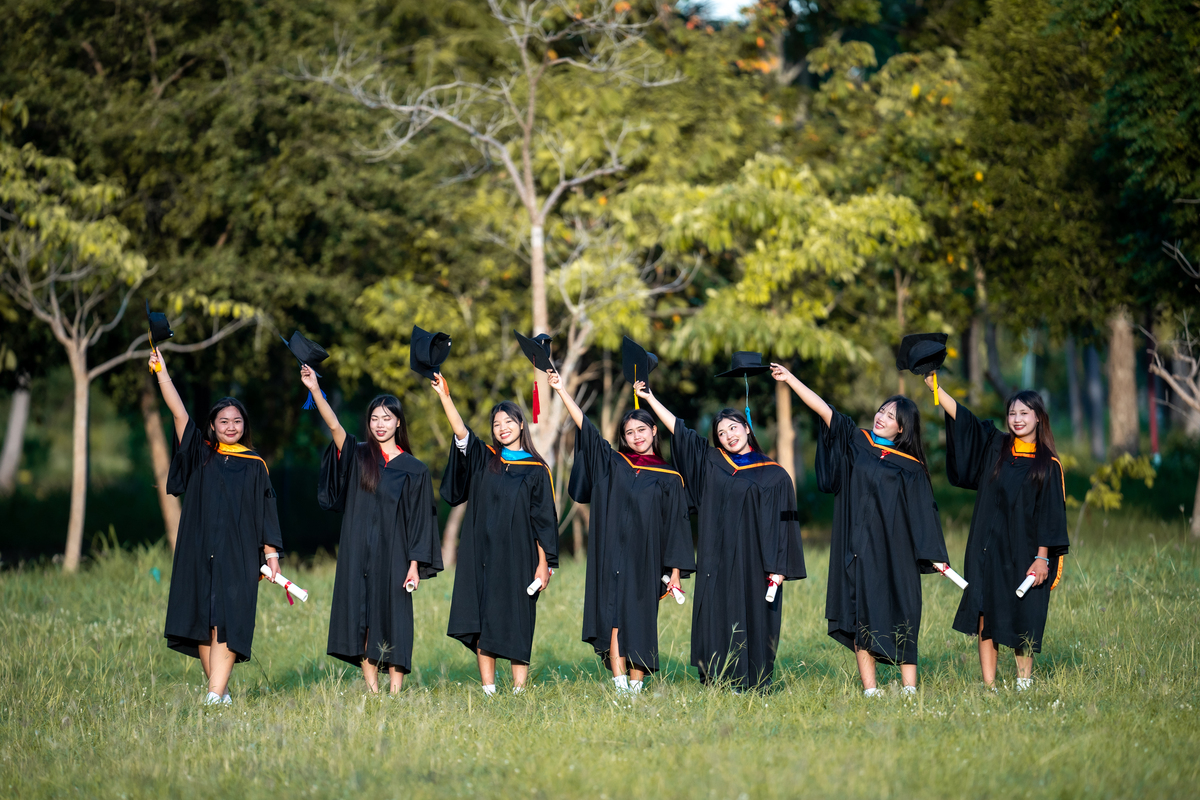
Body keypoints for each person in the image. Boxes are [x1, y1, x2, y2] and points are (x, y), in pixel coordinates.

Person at [772, 363, 947, 697]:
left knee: (903, 612)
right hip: (856, 548)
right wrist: (791, 379)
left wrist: (935, 555)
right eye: (881, 410)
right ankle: (871, 691)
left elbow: (924, 514)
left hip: (895, 553)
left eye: (891, 416)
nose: (881, 417)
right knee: (858, 614)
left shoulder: (911, 468)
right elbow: (825, 411)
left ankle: (910, 691)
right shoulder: (859, 441)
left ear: (903, 429)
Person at [635, 367, 805, 691]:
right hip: (716, 559)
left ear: (746, 427)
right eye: (722, 432)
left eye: (733, 427)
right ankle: (717, 680)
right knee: (715, 615)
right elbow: (680, 432)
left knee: (754, 617)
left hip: (756, 565)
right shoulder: (713, 462)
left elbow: (785, 526)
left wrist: (780, 568)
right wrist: (650, 398)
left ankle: (754, 682)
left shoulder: (774, 474)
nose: (728, 435)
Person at [547, 367, 695, 694]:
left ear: (655, 432)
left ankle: (636, 688)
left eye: (642, 430)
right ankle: (619, 688)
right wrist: (561, 391)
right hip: (611, 555)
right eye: (630, 433)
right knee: (613, 618)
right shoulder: (614, 465)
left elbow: (676, 528)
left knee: (640, 621)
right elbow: (588, 431)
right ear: (623, 438)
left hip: (646, 560)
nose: (637, 436)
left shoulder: (670, 477)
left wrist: (674, 573)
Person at [149, 349, 282, 706]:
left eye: (237, 421)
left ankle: (212, 695)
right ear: (213, 425)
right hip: (198, 548)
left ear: (244, 424)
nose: (231, 427)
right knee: (205, 622)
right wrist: (161, 371)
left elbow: (267, 511)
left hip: (238, 554)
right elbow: (178, 412)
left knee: (229, 619)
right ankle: (219, 694)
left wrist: (271, 556)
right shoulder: (200, 453)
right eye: (224, 421)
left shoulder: (255, 465)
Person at [302, 367, 443, 694]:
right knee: (362, 618)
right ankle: (374, 691)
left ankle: (395, 690)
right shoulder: (359, 455)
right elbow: (334, 425)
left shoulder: (414, 469)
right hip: (357, 554)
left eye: (387, 418)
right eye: (375, 418)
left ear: (398, 422)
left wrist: (414, 566)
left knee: (394, 620)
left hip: (394, 557)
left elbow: (420, 521)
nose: (380, 424)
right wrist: (315, 389)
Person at [925, 375, 1069, 690]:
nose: (1017, 420)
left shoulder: (1048, 465)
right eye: (1012, 414)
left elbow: (1050, 515)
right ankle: (989, 687)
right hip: (987, 547)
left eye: (1024, 414)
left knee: (1023, 615)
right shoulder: (996, 446)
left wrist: (1041, 559)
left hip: (1025, 551)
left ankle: (1023, 683)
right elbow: (964, 420)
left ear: (1038, 418)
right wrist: (935, 387)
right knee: (983, 614)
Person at [431, 374, 558, 695]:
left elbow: (543, 522)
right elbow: (461, 433)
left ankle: (518, 690)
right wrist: (445, 396)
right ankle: (489, 689)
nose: (503, 428)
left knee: (516, 619)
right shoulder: (486, 458)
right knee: (482, 617)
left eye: (509, 422)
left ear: (520, 425)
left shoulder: (537, 469)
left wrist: (545, 565)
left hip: (520, 557)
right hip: (481, 554)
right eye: (497, 423)